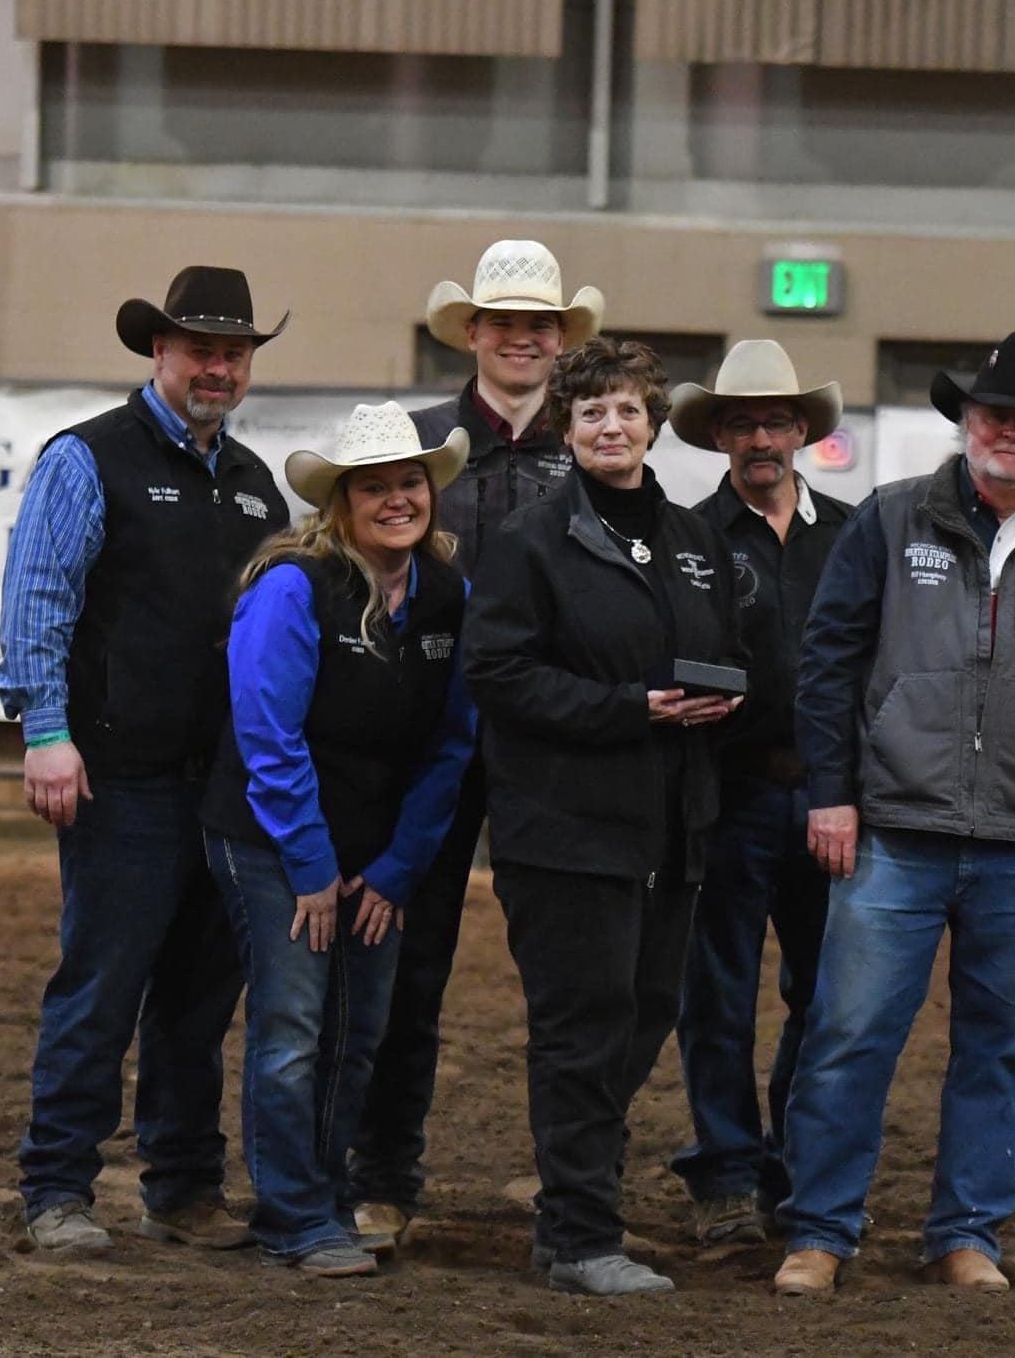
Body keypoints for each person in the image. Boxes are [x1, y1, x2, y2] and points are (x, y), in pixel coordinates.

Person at [773, 333, 1015, 1298]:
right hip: (894, 827)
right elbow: (829, 663)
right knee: (849, 1035)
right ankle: (819, 1229)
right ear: (966, 424)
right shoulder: (889, 522)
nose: (1010, 431)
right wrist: (832, 792)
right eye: (994, 414)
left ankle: (967, 1232)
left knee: (1000, 1048)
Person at [0, 266, 289, 1252]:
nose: (218, 366)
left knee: (201, 1000)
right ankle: (56, 1189)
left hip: (224, 785)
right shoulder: (87, 459)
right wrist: (45, 729)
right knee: (103, 984)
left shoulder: (255, 485)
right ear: (157, 352)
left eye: (234, 352)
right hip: (119, 773)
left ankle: (181, 1186)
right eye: (200, 348)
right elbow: (41, 595)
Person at [463, 337, 749, 1296]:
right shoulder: (530, 541)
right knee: (584, 1028)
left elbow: (717, 653)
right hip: (567, 830)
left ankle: (567, 1213)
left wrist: (719, 699)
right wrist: (631, 709)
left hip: (673, 828)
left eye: (627, 410)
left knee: (644, 1015)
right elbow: (498, 673)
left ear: (654, 423)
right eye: (591, 413)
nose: (612, 427)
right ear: (566, 427)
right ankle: (583, 1232)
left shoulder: (694, 542)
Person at [346, 240, 604, 1248]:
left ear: (558, 338)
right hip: (424, 743)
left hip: (553, 746)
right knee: (405, 967)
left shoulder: (592, 446)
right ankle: (383, 1175)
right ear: (472, 333)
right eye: (503, 321)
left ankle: (579, 1193)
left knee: (572, 981)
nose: (522, 336)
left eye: (539, 322)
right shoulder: (411, 445)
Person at [199, 403, 477, 1277]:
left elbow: (453, 744)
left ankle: (321, 1198)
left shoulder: (447, 594)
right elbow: (267, 736)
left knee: (358, 1030)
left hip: (376, 850)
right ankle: (292, 1212)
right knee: (291, 1027)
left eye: (410, 482)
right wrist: (314, 866)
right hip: (272, 839)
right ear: (342, 501)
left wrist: (398, 868)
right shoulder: (292, 584)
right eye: (376, 486)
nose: (397, 498)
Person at [664, 340, 853, 1246]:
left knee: (823, 993)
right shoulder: (687, 536)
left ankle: (790, 1161)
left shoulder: (854, 534)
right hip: (728, 791)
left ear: (802, 431)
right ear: (720, 437)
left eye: (776, 420)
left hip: (828, 796)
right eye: (741, 422)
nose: (761, 437)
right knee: (718, 993)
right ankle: (729, 1168)